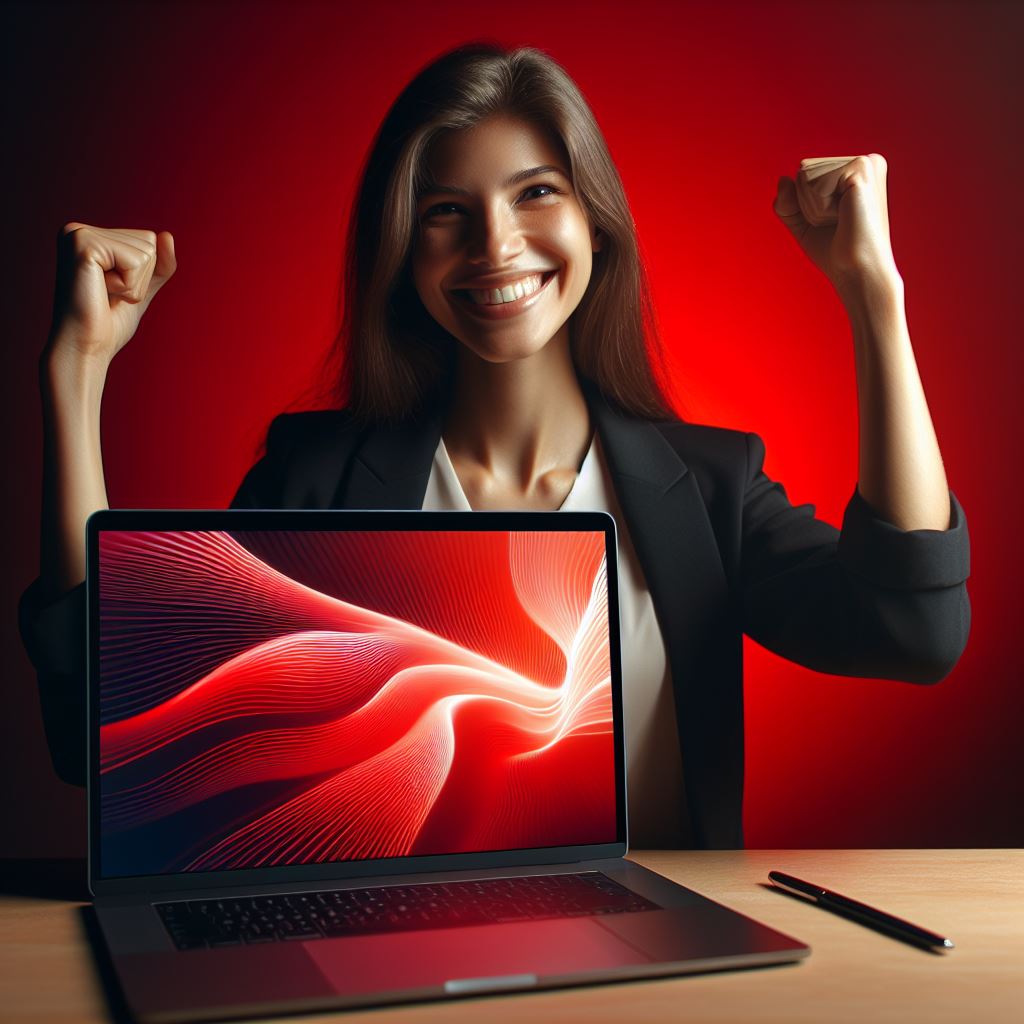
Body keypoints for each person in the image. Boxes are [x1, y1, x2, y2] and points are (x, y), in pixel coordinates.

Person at [19, 43, 970, 850]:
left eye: (537, 192)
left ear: (595, 221)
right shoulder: (314, 479)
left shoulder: (710, 491)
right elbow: (107, 736)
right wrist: (77, 376)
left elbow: (914, 633)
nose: (497, 245)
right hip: (382, 965)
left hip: (663, 973)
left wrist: (873, 301)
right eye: (445, 211)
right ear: (403, 247)